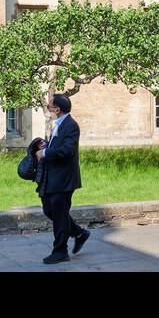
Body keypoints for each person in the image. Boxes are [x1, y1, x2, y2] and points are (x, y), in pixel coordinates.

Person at [36, 93, 90, 264]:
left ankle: (60, 251)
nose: (48, 107)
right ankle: (79, 233)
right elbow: (58, 146)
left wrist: (44, 153)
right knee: (49, 210)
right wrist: (45, 145)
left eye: (50, 105)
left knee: (59, 214)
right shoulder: (58, 124)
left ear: (57, 109)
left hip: (64, 179)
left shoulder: (71, 126)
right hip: (52, 177)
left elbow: (67, 151)